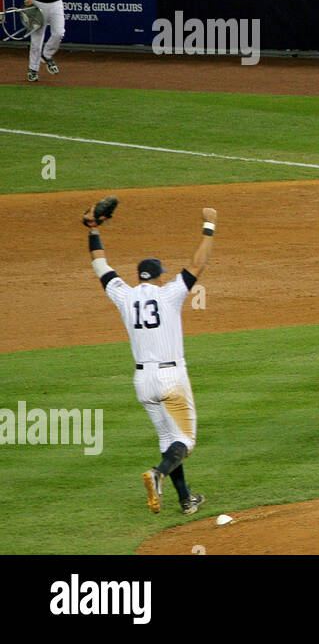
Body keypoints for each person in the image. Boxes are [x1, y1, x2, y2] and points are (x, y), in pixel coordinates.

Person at [85, 203, 217, 515]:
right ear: (158, 277)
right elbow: (199, 264)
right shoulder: (170, 293)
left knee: (167, 439)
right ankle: (158, 474)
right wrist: (209, 226)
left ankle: (186, 500)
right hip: (172, 379)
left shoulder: (124, 295)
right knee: (185, 441)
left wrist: (93, 229)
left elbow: (100, 265)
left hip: (143, 381)